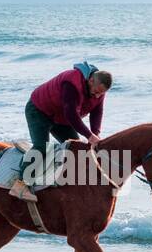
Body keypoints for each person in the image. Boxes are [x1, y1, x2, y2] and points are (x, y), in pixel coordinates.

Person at [11, 62, 113, 201]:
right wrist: (89, 136)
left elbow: (97, 112)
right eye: (96, 92)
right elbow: (71, 114)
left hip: (60, 118)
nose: (97, 96)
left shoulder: (99, 91)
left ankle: (69, 188)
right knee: (41, 148)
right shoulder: (72, 81)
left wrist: (95, 134)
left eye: (100, 94)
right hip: (39, 111)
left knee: (78, 150)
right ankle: (20, 186)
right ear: (90, 80)